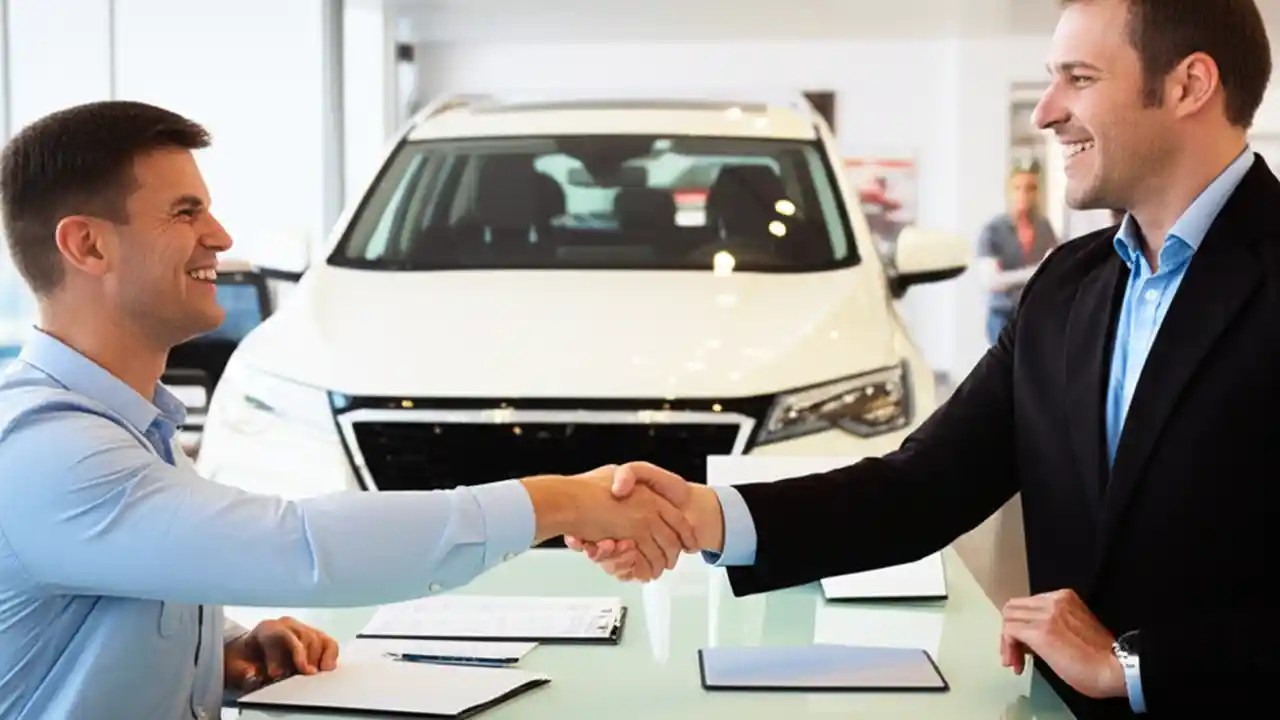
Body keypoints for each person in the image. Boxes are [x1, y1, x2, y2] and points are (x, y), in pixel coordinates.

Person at [570, 0, 1274, 716]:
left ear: (1190, 85)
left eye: (1080, 78)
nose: (1046, 112)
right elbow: (922, 488)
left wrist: (1131, 665)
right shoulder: (1066, 288)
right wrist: (704, 514)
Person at [0, 101, 694, 719]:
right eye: (185, 212)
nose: (219, 235)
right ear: (87, 244)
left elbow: (109, 593)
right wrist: (558, 501)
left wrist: (223, 648)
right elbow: (297, 546)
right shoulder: (46, 450)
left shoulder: (128, 427)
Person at [976, 163, 1060, 344]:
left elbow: (1054, 269)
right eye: (1018, 188)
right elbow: (991, 281)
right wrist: (1036, 271)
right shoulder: (993, 230)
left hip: (1036, 314)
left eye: (1031, 188)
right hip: (1002, 316)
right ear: (1009, 192)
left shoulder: (1044, 227)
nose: (1024, 194)